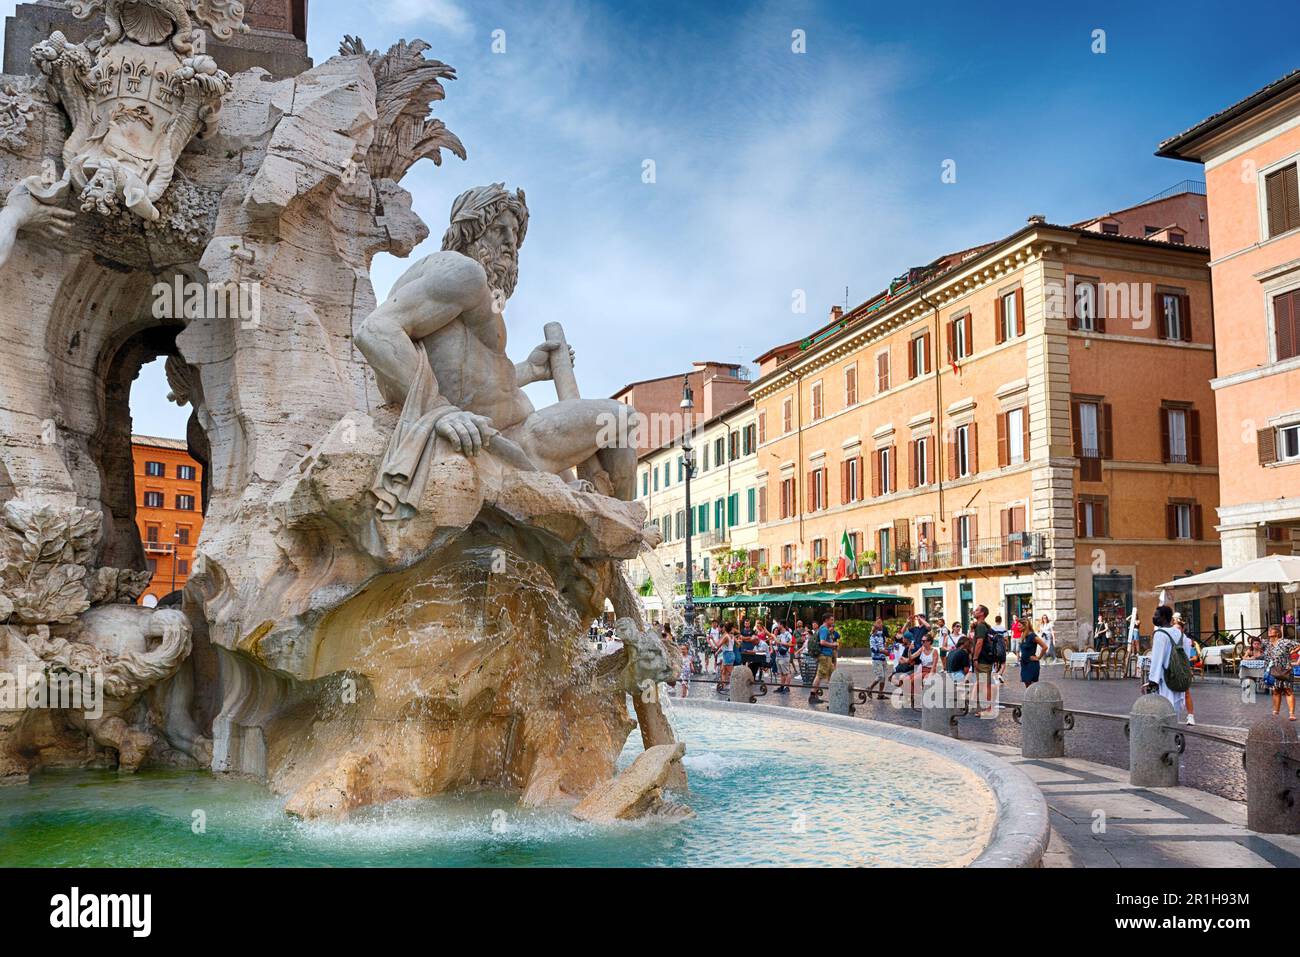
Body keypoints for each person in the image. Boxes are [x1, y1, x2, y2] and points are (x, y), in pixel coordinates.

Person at [1146, 605, 1196, 724]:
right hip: (1178, 676)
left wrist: (1153, 680)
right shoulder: (1179, 633)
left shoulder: (1160, 634)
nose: (1154, 617)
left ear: (1163, 617)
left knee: (1165, 711)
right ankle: (1174, 735)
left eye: (1156, 615)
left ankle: (1166, 738)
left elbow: (1157, 659)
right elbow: (1187, 647)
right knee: (1175, 711)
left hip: (1166, 677)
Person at [1263, 624, 1298, 720]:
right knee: (1276, 691)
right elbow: (1253, 642)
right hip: (1272, 670)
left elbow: (1298, 645)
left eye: (1272, 630)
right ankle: (1275, 713)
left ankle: (1291, 714)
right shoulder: (1266, 643)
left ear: (1278, 633)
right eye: (1269, 630)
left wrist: (1291, 652)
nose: (1269, 631)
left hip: (1285, 670)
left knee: (1288, 690)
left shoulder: (1285, 642)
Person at [971, 605, 998, 712]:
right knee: (983, 683)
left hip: (982, 660)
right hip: (985, 659)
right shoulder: (984, 625)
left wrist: (975, 658)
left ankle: (988, 708)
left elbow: (979, 642)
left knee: (984, 685)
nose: (974, 611)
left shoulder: (981, 626)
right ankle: (986, 707)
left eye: (977, 610)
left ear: (982, 613)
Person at [809, 613, 838, 702]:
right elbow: (822, 642)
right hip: (824, 656)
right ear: (826, 620)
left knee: (832, 675)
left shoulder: (823, 628)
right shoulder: (824, 629)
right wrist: (832, 645)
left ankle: (834, 696)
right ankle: (812, 695)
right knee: (820, 675)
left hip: (827, 656)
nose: (833, 621)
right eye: (831, 619)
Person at [1018, 618, 1047, 687]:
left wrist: (1038, 657)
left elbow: (1045, 647)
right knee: (1027, 685)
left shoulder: (1033, 636)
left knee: (1032, 687)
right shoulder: (1023, 635)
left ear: (1025, 626)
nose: (1018, 627)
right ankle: (1030, 698)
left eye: (1019, 625)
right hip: (1024, 664)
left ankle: (1034, 698)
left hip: (1031, 664)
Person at [868, 617, 891, 693]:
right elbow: (873, 649)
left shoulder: (881, 636)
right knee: (880, 676)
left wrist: (887, 649)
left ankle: (880, 694)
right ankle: (869, 688)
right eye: (879, 623)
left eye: (881, 622)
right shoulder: (872, 637)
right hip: (877, 660)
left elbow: (883, 646)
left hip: (883, 659)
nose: (881, 624)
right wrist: (884, 651)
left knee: (883, 678)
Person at [771, 624, 794, 693]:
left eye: (779, 624)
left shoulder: (787, 634)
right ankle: (782, 687)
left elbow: (792, 643)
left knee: (787, 672)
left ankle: (787, 687)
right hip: (778, 656)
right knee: (781, 673)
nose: (777, 626)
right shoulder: (780, 635)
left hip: (785, 656)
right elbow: (776, 644)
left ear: (782, 625)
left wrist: (780, 643)